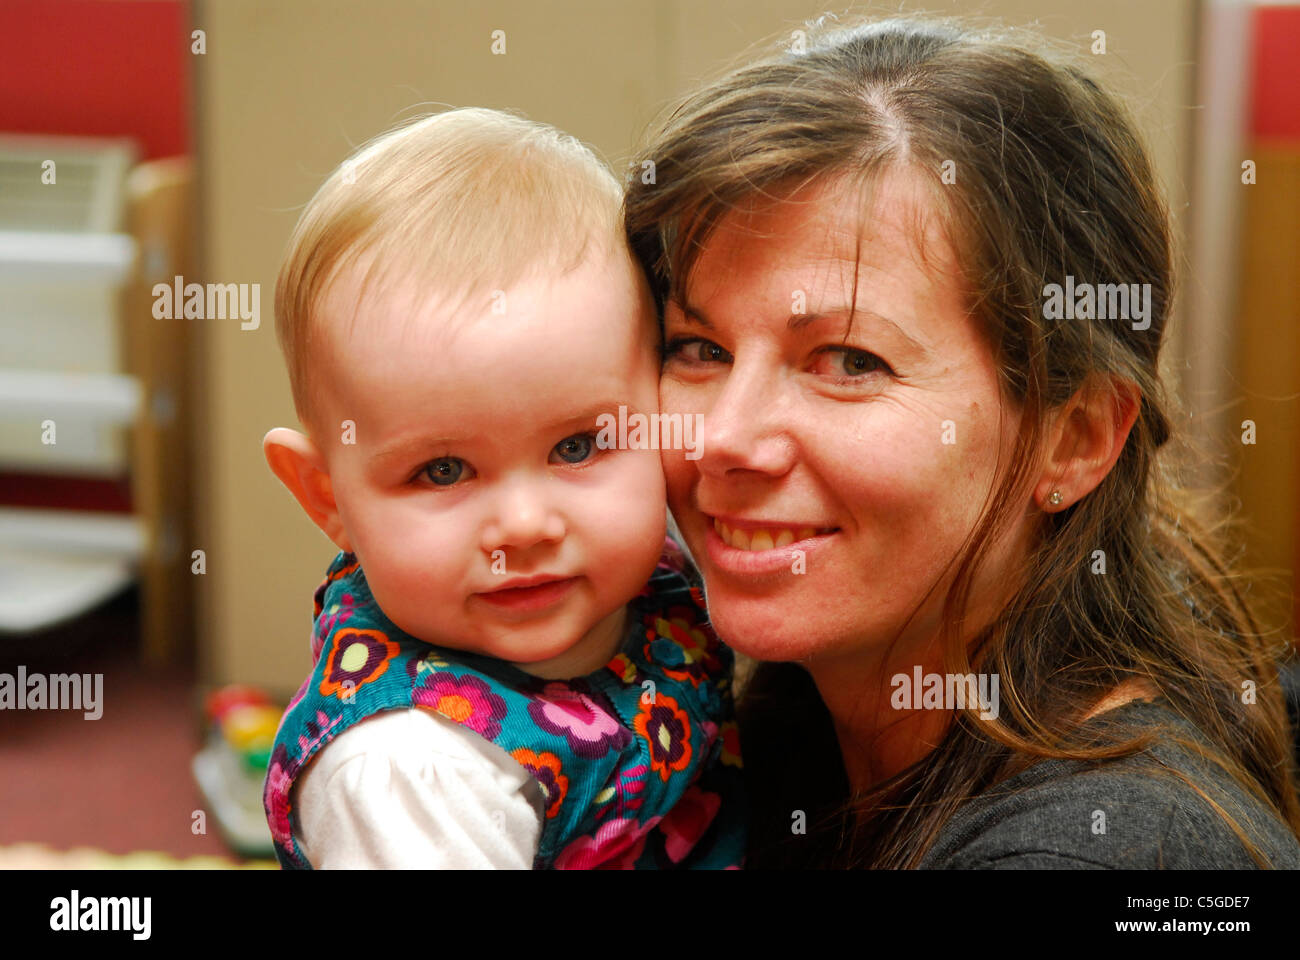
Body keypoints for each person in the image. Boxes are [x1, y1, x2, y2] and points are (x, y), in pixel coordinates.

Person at [623, 14, 1300, 868]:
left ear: (1076, 438)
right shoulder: (774, 728)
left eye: (848, 361)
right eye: (698, 349)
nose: (723, 438)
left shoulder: (1098, 849)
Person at [260, 107, 745, 869]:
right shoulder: (409, 772)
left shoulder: (657, 584)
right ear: (327, 497)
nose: (524, 526)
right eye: (443, 470)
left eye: (577, 447)